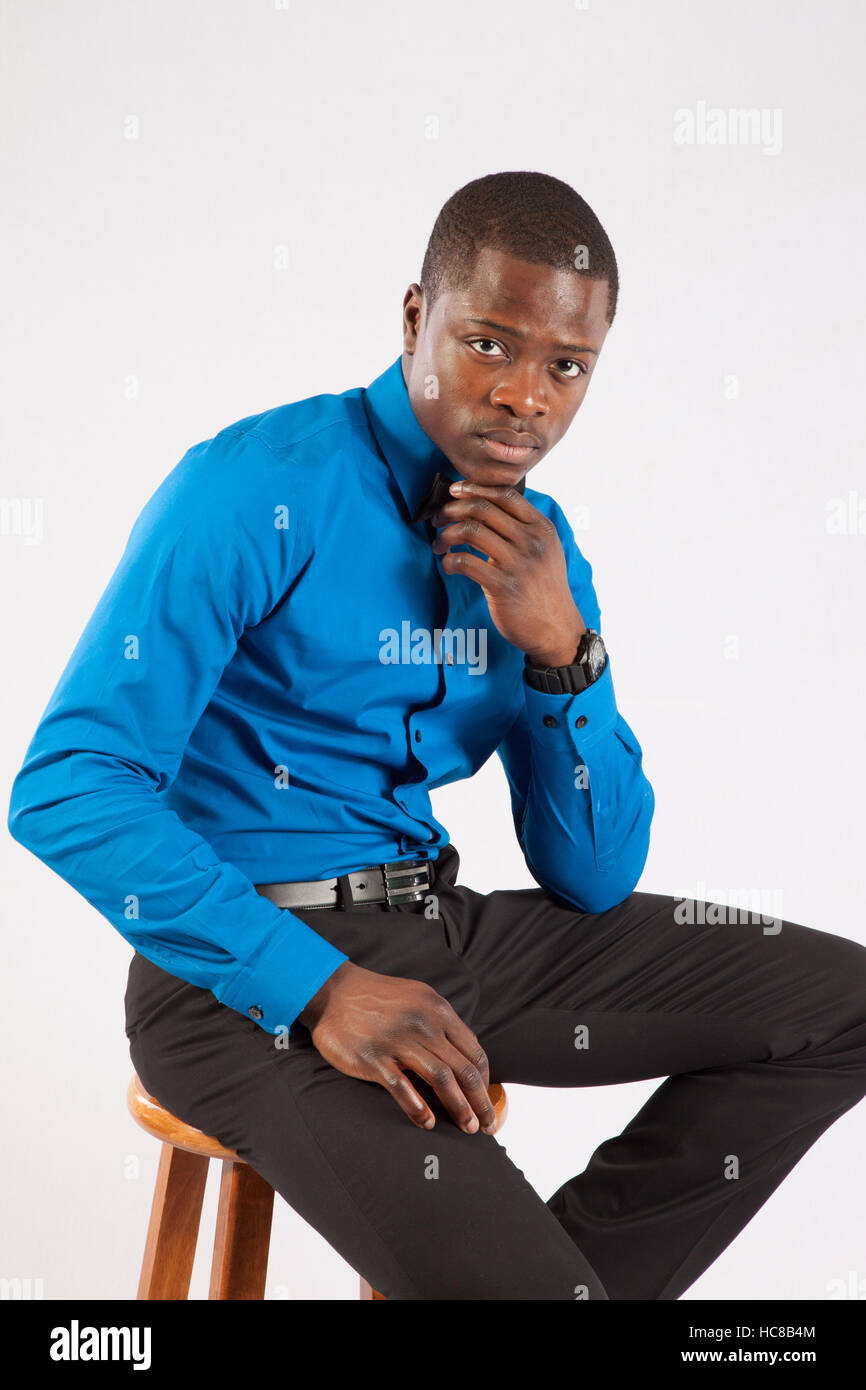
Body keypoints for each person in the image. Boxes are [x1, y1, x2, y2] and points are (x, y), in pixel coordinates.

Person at [8, 171, 866, 1300]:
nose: (525, 397)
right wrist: (315, 986)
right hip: (233, 986)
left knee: (837, 1005)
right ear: (415, 318)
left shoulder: (538, 549)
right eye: (488, 344)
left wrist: (563, 652)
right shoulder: (253, 486)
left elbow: (591, 874)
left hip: (438, 935)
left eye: (565, 366)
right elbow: (67, 785)